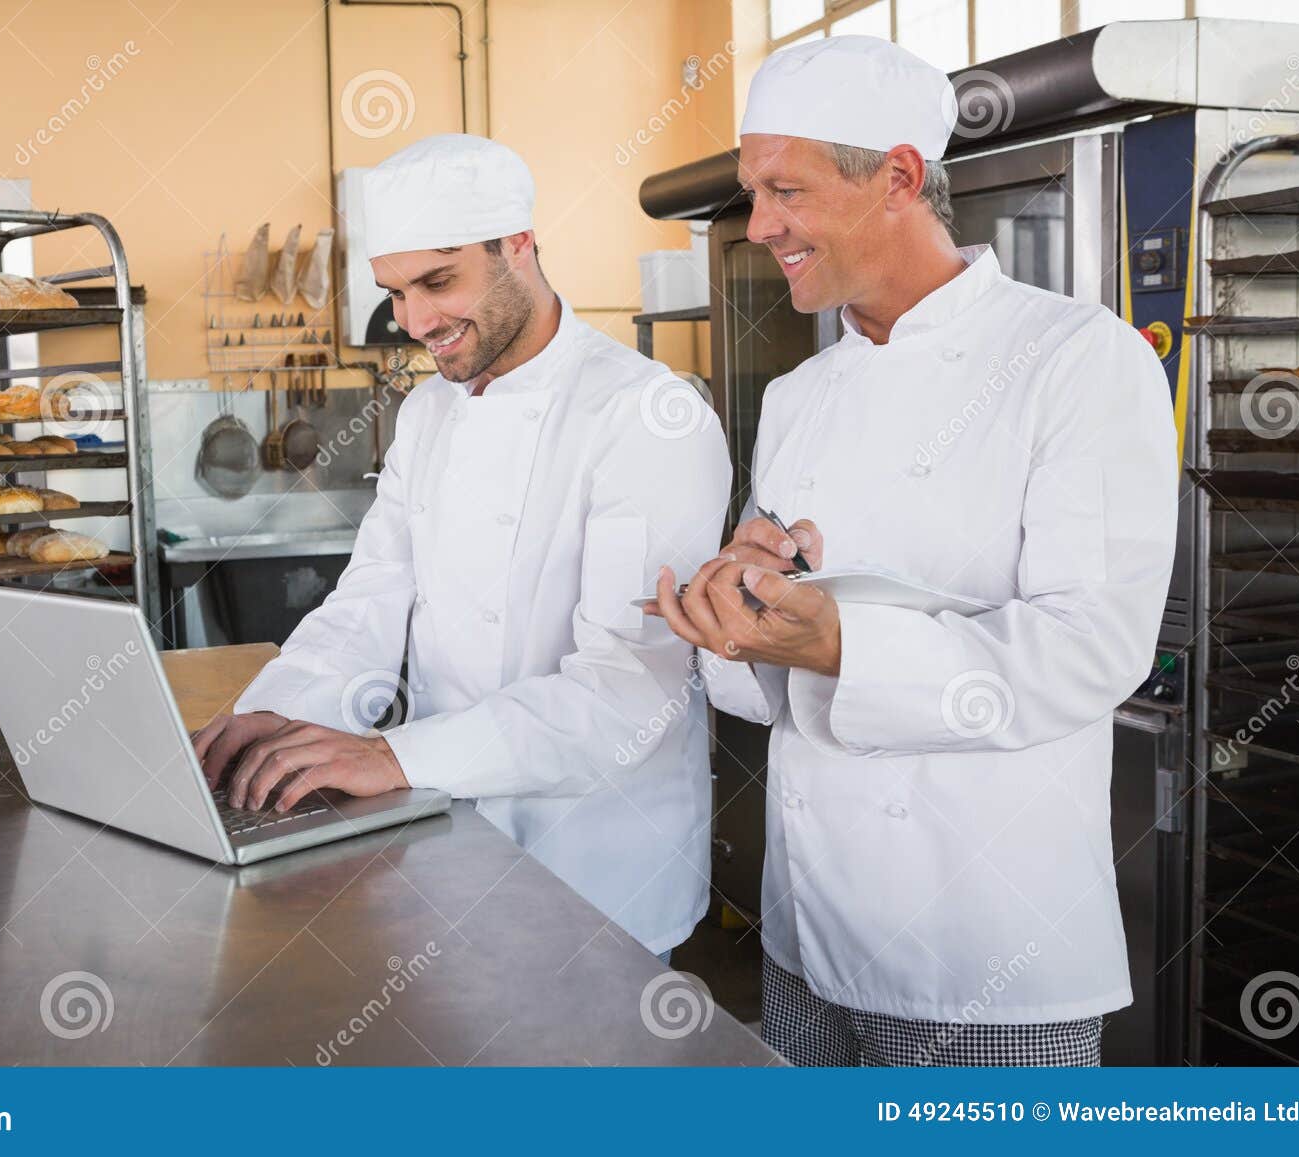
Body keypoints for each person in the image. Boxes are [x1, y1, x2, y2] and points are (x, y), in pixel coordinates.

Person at [650, 37, 1177, 1065]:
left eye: (783, 190)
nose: (759, 227)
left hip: (982, 952)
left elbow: (1092, 646)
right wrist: (737, 607)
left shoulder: (1076, 358)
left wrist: (843, 642)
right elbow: (768, 674)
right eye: (754, 193)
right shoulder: (802, 395)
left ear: (896, 176)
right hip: (805, 930)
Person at [194, 133, 732, 959]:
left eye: (438, 282)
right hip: (446, 840)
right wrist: (278, 708)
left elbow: (629, 694)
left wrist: (392, 756)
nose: (414, 321)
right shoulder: (429, 413)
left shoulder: (645, 417)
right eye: (395, 291)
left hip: (596, 869)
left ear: (518, 245)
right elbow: (372, 594)